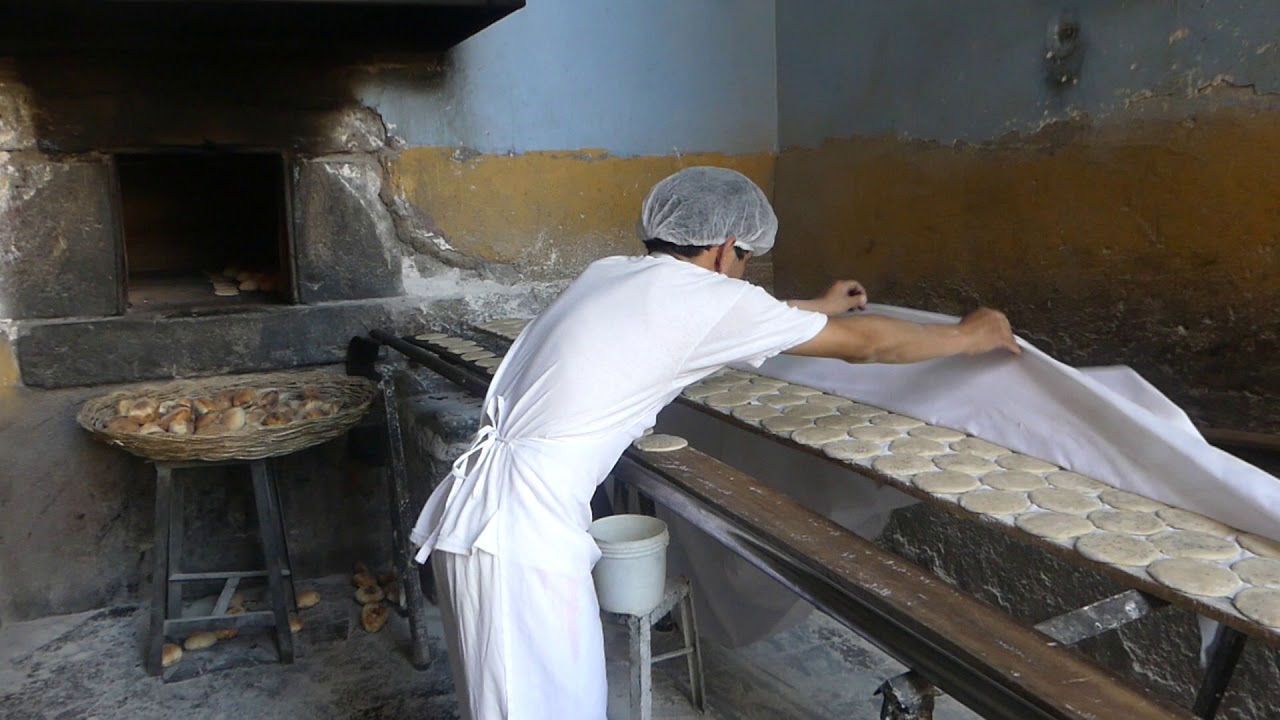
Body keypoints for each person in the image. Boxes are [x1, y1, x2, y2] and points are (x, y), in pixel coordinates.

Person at [410, 166, 1020, 720]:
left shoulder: (612, 275)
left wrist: (821, 307)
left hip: (479, 514)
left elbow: (730, 315)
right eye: (747, 257)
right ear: (730, 248)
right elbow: (868, 346)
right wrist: (967, 337)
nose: (744, 270)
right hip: (520, 536)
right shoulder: (701, 300)